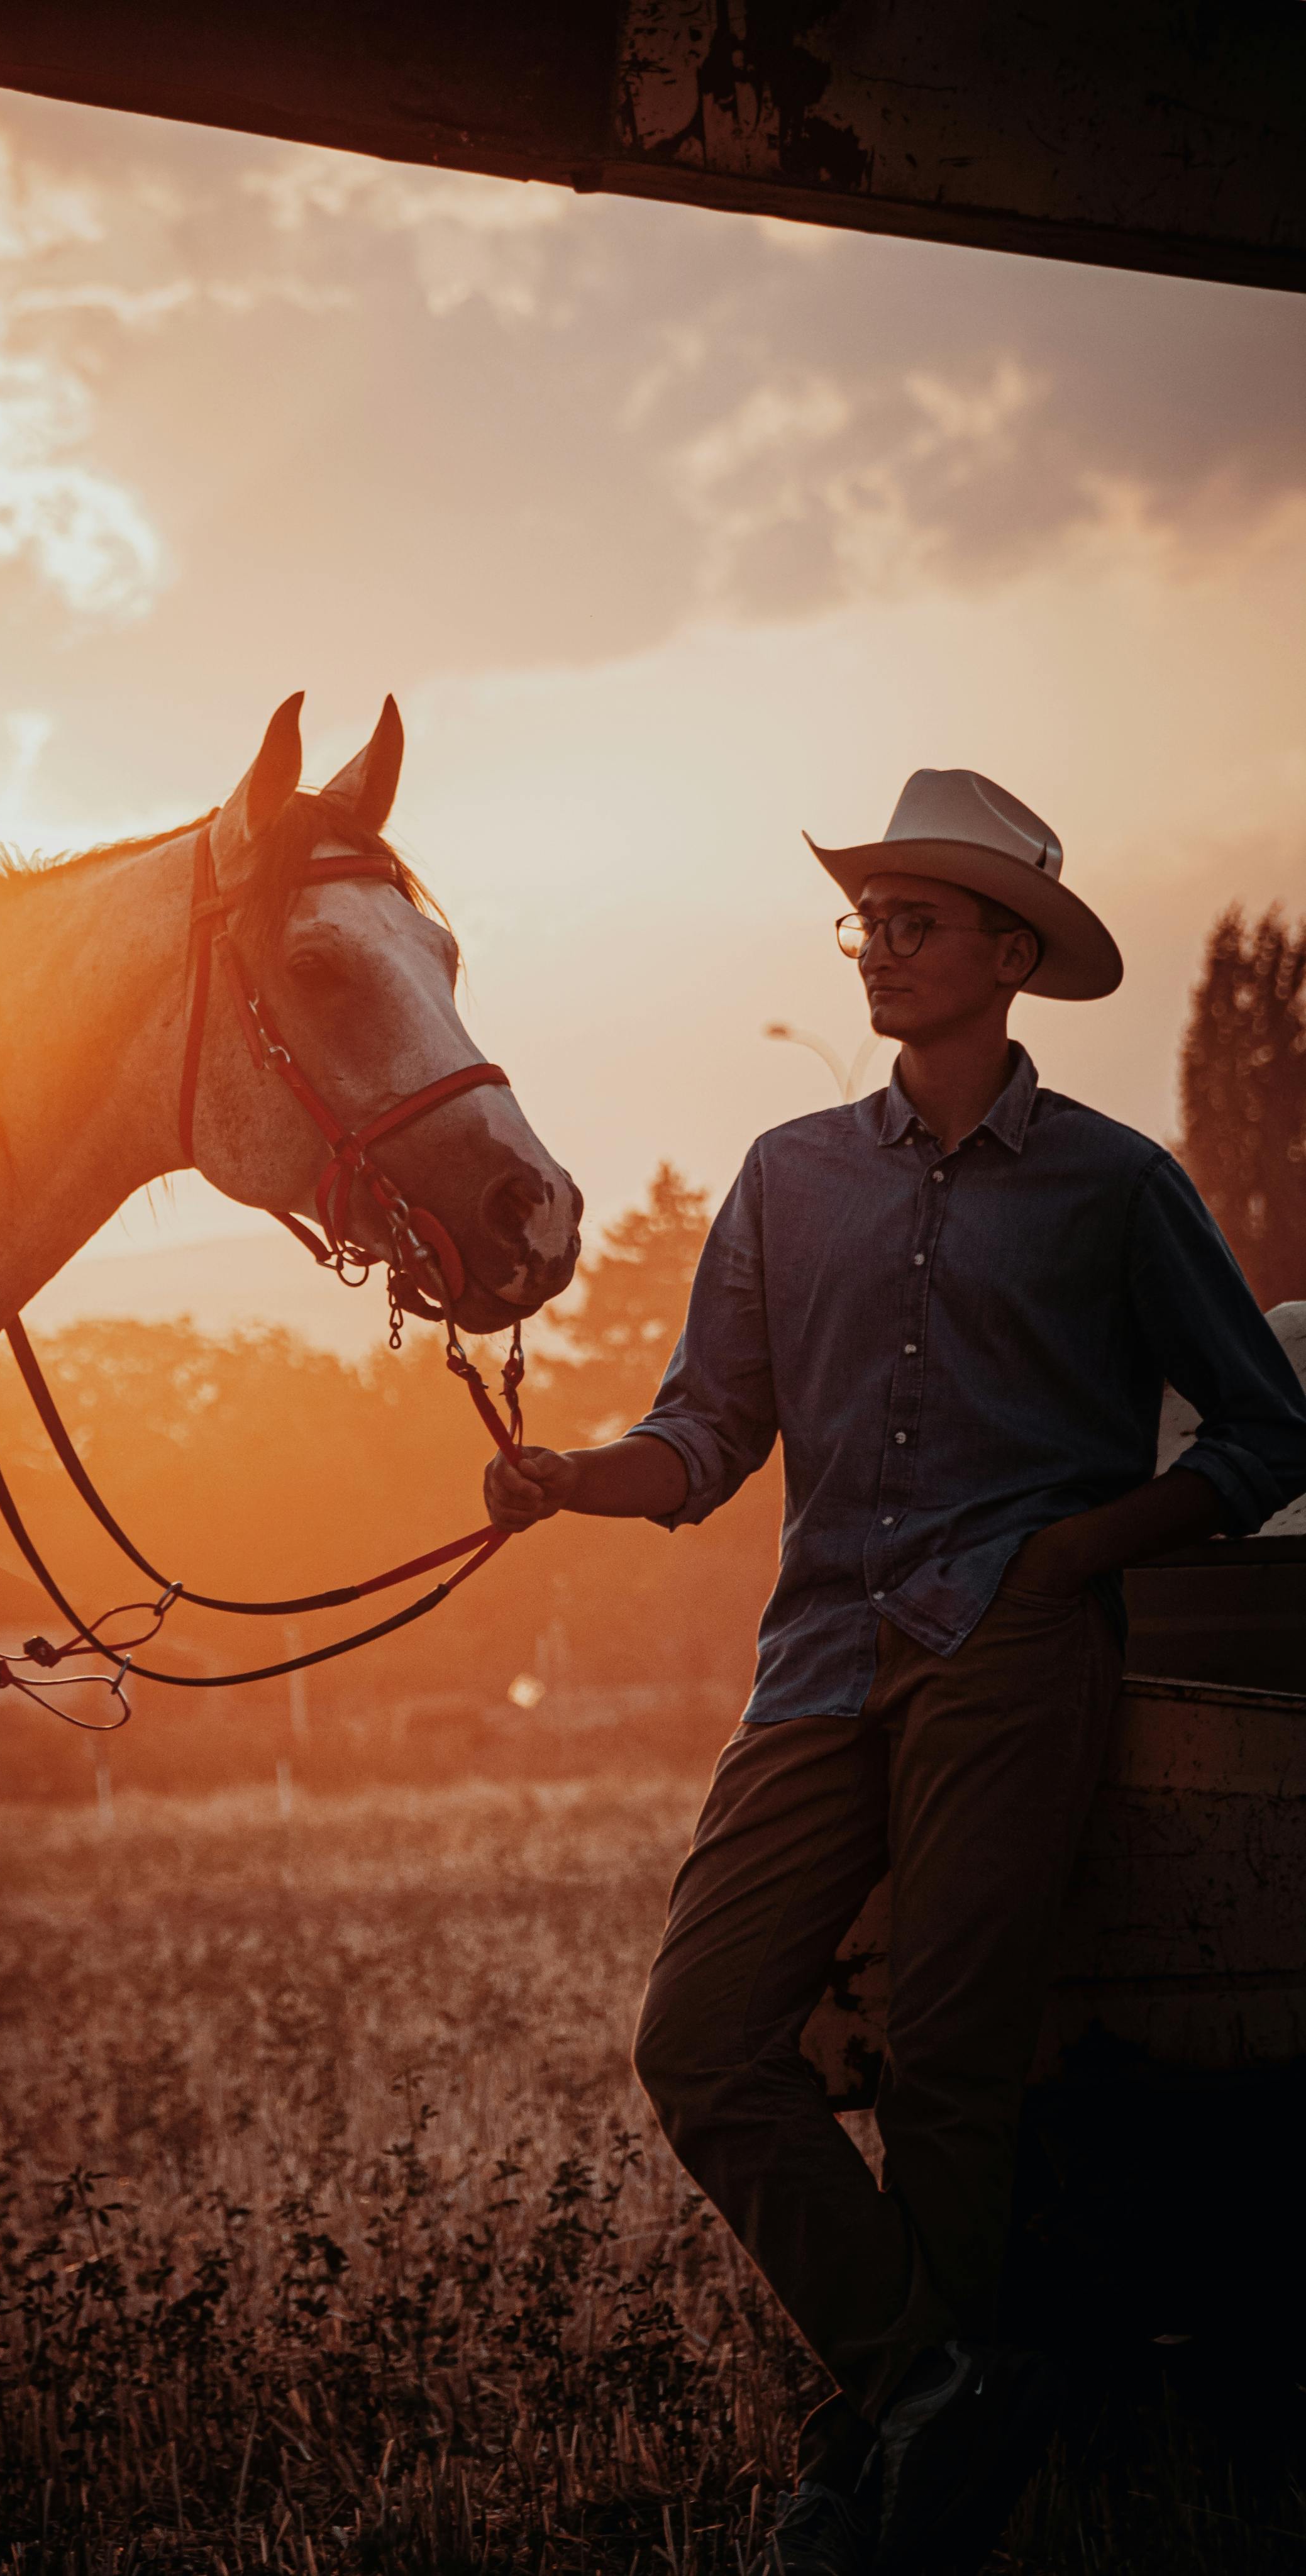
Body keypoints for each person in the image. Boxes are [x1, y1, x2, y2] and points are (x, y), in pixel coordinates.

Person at [483, 770, 1306, 2576]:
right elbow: (705, 1432)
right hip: (814, 1659)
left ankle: (905, 2492)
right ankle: (938, 2384)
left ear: (1007, 952)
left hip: (1014, 1657)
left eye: (914, 921)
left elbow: (1266, 1430)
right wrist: (571, 1485)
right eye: (865, 918)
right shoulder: (786, 1177)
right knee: (699, 2039)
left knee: (945, 2059)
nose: (875, 947)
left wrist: (1069, 1555)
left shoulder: (1111, 1183)